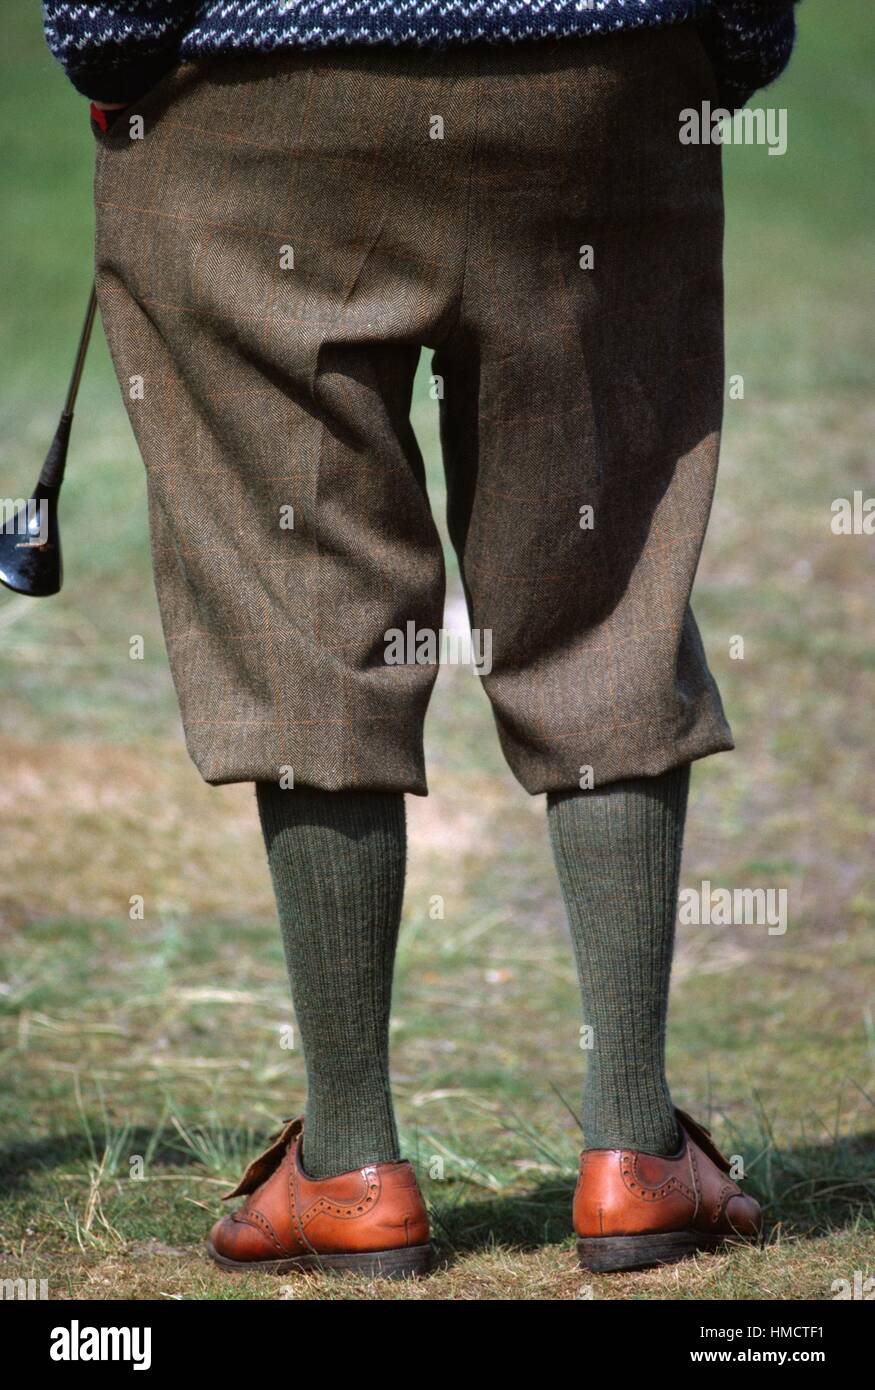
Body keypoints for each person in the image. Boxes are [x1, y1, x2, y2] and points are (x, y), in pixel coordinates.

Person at [42, 1, 798, 1278]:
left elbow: (105, 19)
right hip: (597, 78)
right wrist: (725, 38)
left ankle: (347, 1171)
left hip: (249, 95)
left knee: (300, 613)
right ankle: (633, 1153)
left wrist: (113, 40)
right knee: (600, 592)